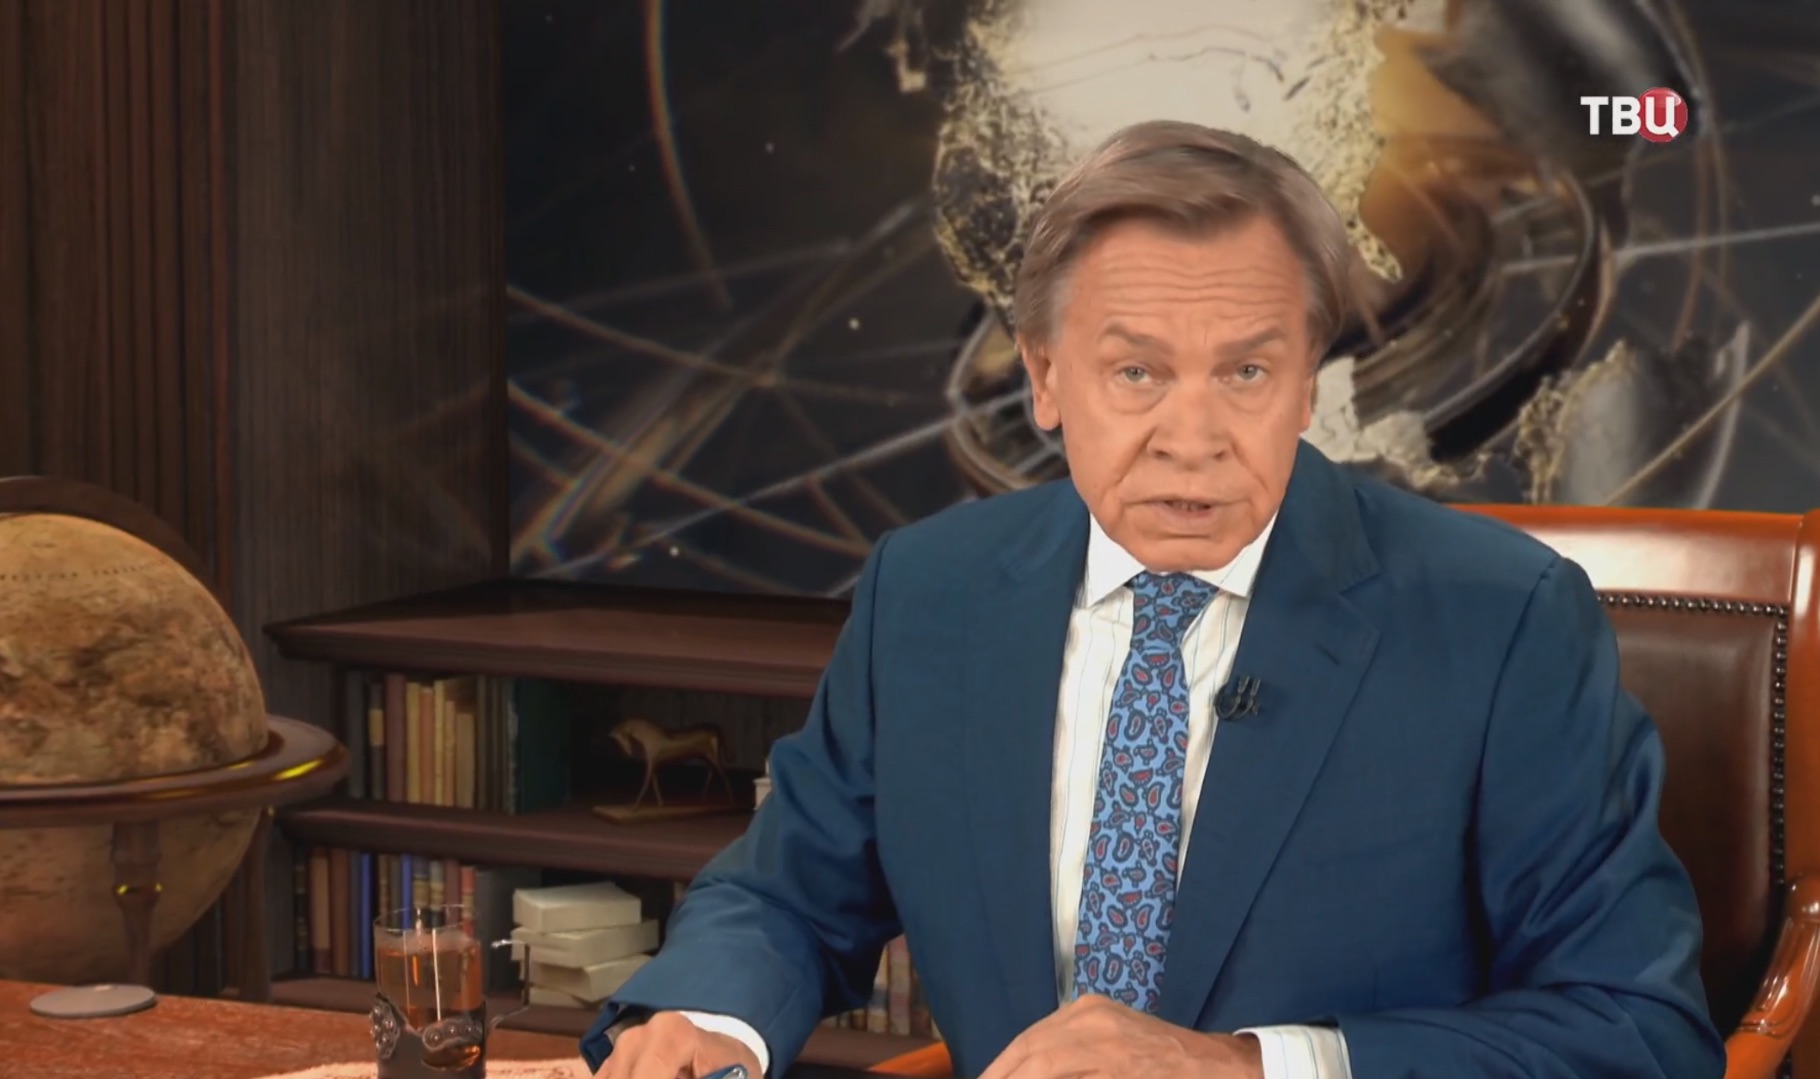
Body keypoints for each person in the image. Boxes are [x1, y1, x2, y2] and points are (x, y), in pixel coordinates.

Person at [581, 119, 1723, 1079]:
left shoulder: (1504, 620)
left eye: (1247, 371)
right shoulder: (927, 593)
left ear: (1310, 380)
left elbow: (1637, 1029)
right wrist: (708, 1020)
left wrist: (1250, 1066)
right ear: (1043, 377)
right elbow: (790, 893)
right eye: (1136, 372)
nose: (1193, 437)